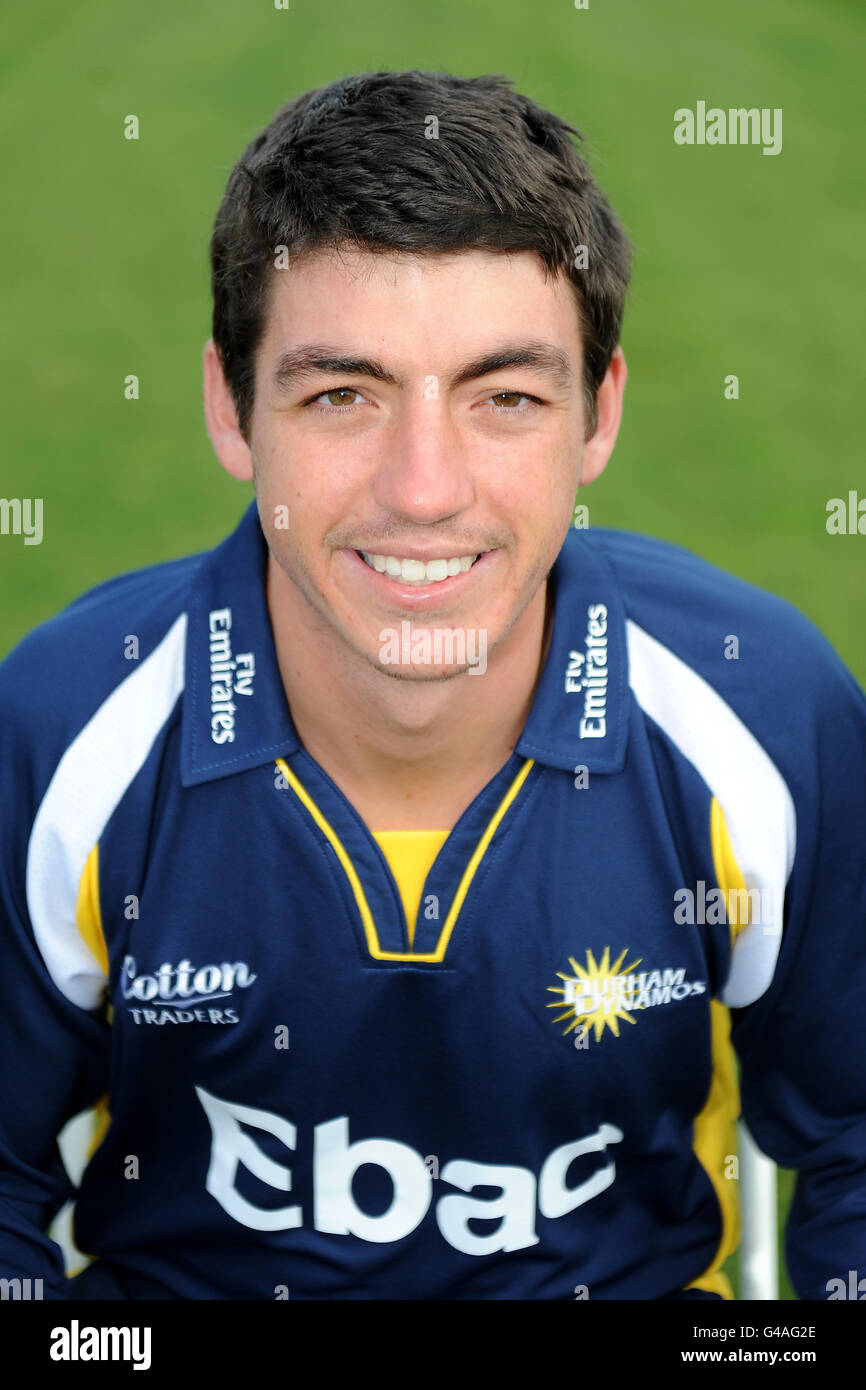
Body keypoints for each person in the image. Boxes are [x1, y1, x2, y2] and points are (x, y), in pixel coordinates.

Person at [1, 69, 864, 1302]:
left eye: (503, 397)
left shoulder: (765, 713)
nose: (422, 487)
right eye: (341, 394)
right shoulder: (59, 728)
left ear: (596, 419)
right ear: (232, 409)